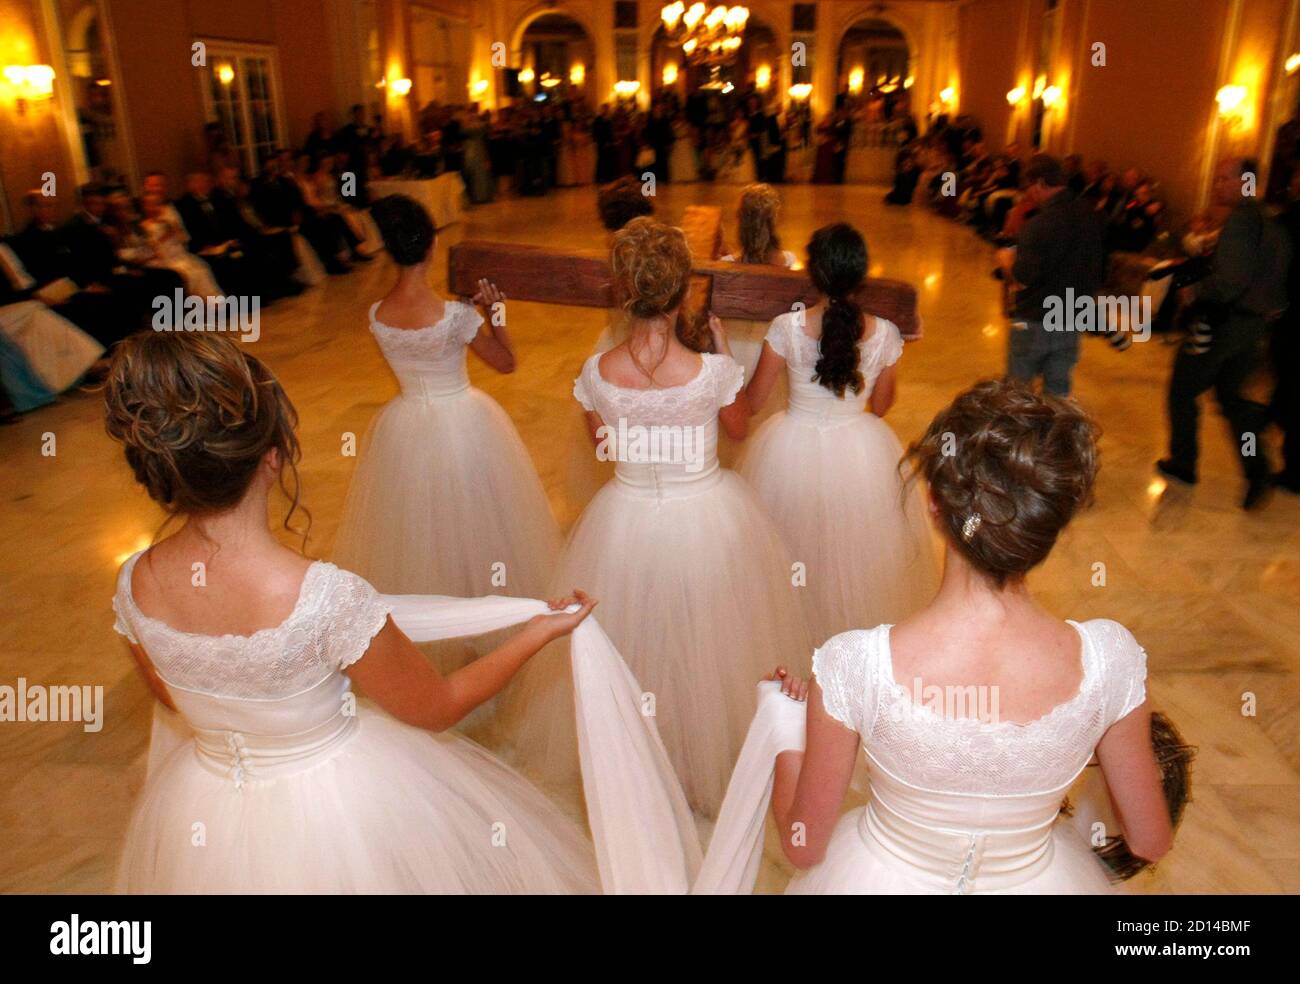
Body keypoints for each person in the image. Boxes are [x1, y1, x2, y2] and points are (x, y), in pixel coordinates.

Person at [104, 330, 598, 893]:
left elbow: (174, 696)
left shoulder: (133, 584)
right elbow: (436, 707)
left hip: (205, 807)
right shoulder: (326, 599)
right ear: (273, 458)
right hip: (335, 815)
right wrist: (537, 632)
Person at [772, 380, 1172, 894]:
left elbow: (803, 846)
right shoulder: (1110, 660)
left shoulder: (853, 665)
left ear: (934, 504)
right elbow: (1150, 841)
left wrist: (787, 734)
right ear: (1047, 526)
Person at [499, 217, 813, 817]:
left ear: (623, 290)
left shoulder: (595, 375)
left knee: (635, 642)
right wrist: (722, 353)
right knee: (710, 640)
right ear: (683, 291)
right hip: (707, 521)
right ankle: (701, 769)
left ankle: (638, 763)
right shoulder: (712, 372)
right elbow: (741, 429)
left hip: (627, 518)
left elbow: (604, 449)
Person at [332, 195, 561, 677]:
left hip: (406, 424)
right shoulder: (456, 317)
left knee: (421, 529)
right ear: (434, 245)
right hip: (463, 424)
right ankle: (486, 621)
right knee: (479, 524)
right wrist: (495, 313)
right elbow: (506, 362)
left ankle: (437, 629)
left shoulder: (377, 315)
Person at [738, 223, 939, 642]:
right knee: (853, 558)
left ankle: (796, 634)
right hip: (859, 450)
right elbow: (881, 407)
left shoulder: (786, 328)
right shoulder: (884, 331)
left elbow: (752, 403)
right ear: (862, 274)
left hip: (790, 450)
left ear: (812, 272)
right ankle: (845, 645)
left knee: (792, 551)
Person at [1159, 157, 1291, 510]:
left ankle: (1183, 462)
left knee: (1182, 389)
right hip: (1255, 327)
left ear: (1244, 181)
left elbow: (1230, 280)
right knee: (1234, 402)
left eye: (1223, 179)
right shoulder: (1271, 221)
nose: (1217, 185)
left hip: (1223, 323)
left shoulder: (1241, 221)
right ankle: (1257, 468)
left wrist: (1196, 291)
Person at [997, 154, 1106, 397]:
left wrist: (1006, 262)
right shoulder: (1090, 216)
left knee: (1018, 392)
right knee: (1058, 392)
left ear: (1039, 183)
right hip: (1071, 315)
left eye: (1029, 188)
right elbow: (1099, 267)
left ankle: (1022, 436)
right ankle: (1057, 435)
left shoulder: (1039, 225)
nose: (1029, 194)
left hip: (1034, 318)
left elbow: (1022, 278)